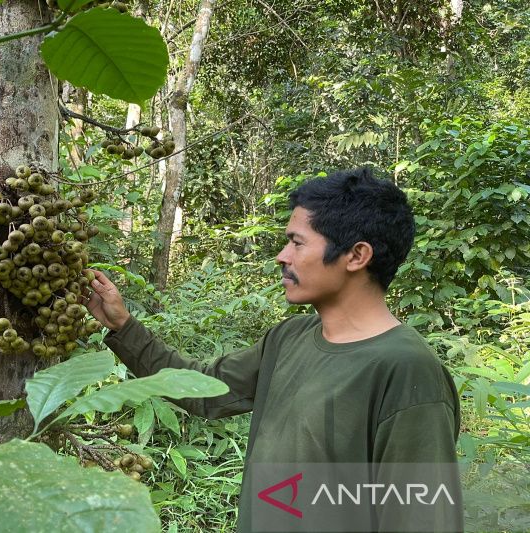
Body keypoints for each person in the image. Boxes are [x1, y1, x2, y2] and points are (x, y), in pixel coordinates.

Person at [84, 167, 463, 533]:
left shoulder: (407, 370)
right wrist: (123, 327)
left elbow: (420, 519)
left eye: (297, 242)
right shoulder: (289, 338)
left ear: (356, 256)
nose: (283, 256)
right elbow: (206, 390)